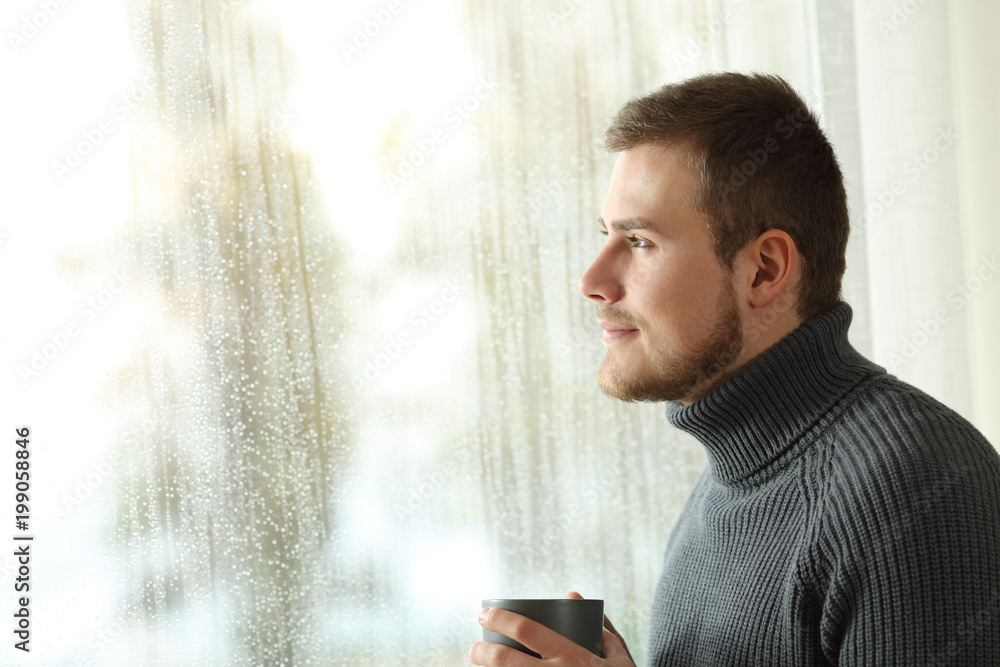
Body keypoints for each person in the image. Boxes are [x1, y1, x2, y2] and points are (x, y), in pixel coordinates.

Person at [469, 72, 1000, 666]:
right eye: (605, 235)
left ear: (764, 271)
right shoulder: (721, 490)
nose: (591, 281)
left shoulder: (913, 487)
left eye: (639, 240)